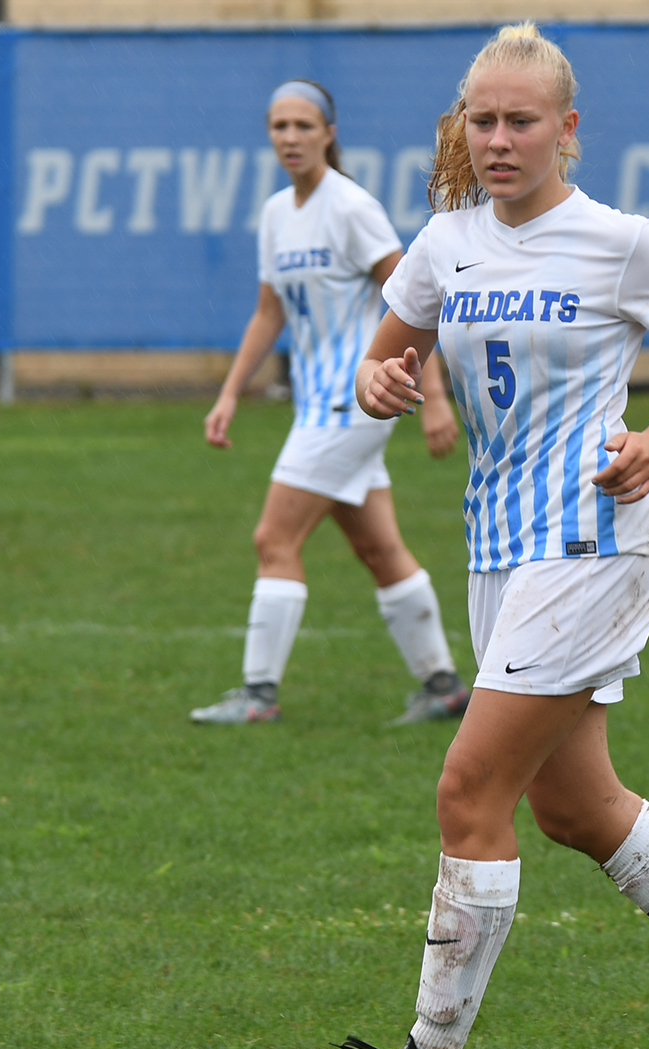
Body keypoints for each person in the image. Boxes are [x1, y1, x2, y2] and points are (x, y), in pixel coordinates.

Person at [290, 25, 649, 1049]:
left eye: (520, 121)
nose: (497, 140)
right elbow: (377, 368)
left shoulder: (622, 243)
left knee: (467, 789)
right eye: (482, 120)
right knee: (575, 811)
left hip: (590, 543)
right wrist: (381, 386)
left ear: (566, 129)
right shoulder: (443, 243)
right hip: (496, 550)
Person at [193, 78, 469, 728]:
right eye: (279, 126)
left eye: (303, 125)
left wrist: (433, 396)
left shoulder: (350, 207)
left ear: (329, 133)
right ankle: (444, 686)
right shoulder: (275, 214)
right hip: (319, 407)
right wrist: (230, 393)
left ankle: (258, 694)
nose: (290, 137)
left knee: (274, 537)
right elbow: (269, 311)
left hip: (353, 404)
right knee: (379, 548)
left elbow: (415, 301)